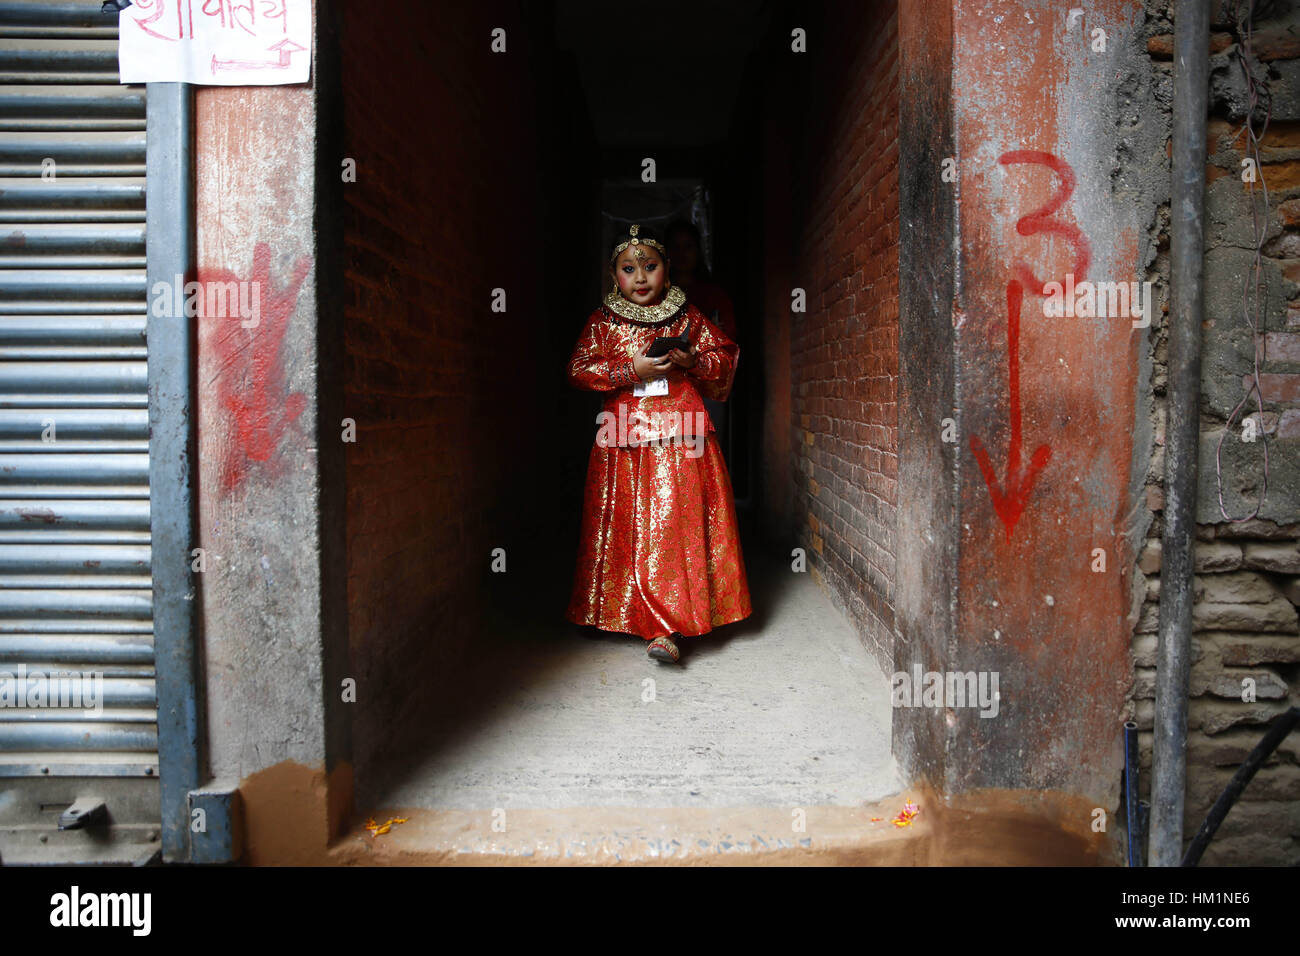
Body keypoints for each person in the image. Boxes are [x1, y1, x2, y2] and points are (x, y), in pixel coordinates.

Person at [565, 224, 752, 663]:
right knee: (621, 521)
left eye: (650, 267)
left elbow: (723, 356)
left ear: (667, 271)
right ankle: (609, 609)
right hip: (622, 435)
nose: (641, 277)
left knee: (672, 527)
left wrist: (694, 360)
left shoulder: (686, 315)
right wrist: (631, 371)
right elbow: (577, 369)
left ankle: (666, 626)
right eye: (629, 269)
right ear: (615, 276)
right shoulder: (602, 321)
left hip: (680, 432)